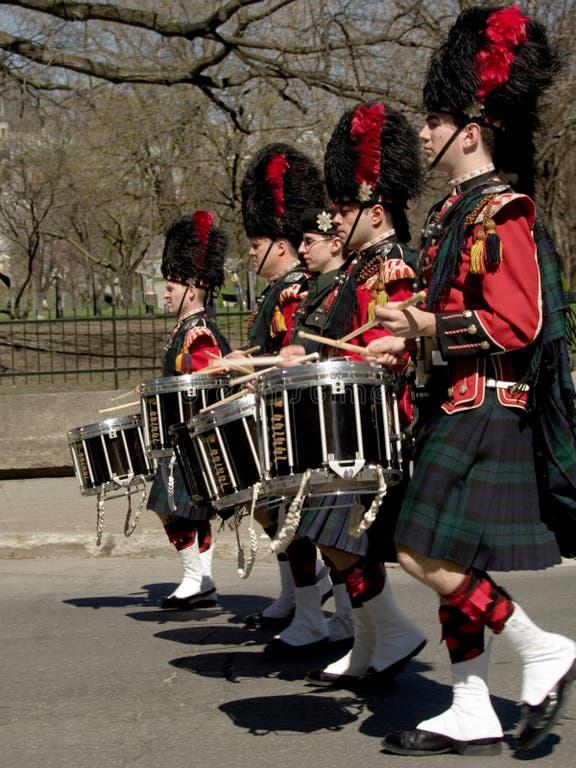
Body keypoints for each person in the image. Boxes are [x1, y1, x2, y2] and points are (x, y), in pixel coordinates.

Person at [368, 6, 576, 756]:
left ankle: (543, 649)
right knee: (456, 562)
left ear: (471, 129)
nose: (423, 133)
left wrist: (429, 329)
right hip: (458, 398)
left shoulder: (502, 211)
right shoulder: (457, 212)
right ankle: (470, 705)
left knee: (422, 553)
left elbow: (518, 323)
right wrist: (405, 336)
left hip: (488, 406)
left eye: (434, 120)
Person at [281, 103, 428, 688]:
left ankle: (386, 630)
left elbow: (386, 345)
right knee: (326, 532)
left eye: (343, 209)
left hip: (377, 420)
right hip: (346, 418)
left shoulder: (391, 268)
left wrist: (324, 357)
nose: (335, 220)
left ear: (377, 206)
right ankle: (375, 635)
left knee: (334, 530)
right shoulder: (357, 269)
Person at [237, 143, 338, 656]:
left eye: (256, 242)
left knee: (292, 514)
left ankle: (315, 611)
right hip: (277, 404)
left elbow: (292, 349)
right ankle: (299, 598)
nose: (250, 252)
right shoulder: (279, 289)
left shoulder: (296, 287)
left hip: (292, 412)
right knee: (276, 512)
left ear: (279, 243)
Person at [146, 212, 231, 610]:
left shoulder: (198, 333)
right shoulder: (185, 330)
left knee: (171, 510)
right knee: (191, 513)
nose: (165, 292)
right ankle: (202, 579)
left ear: (194, 290)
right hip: (181, 438)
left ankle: (195, 577)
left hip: (188, 439)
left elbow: (207, 383)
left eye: (173, 284)